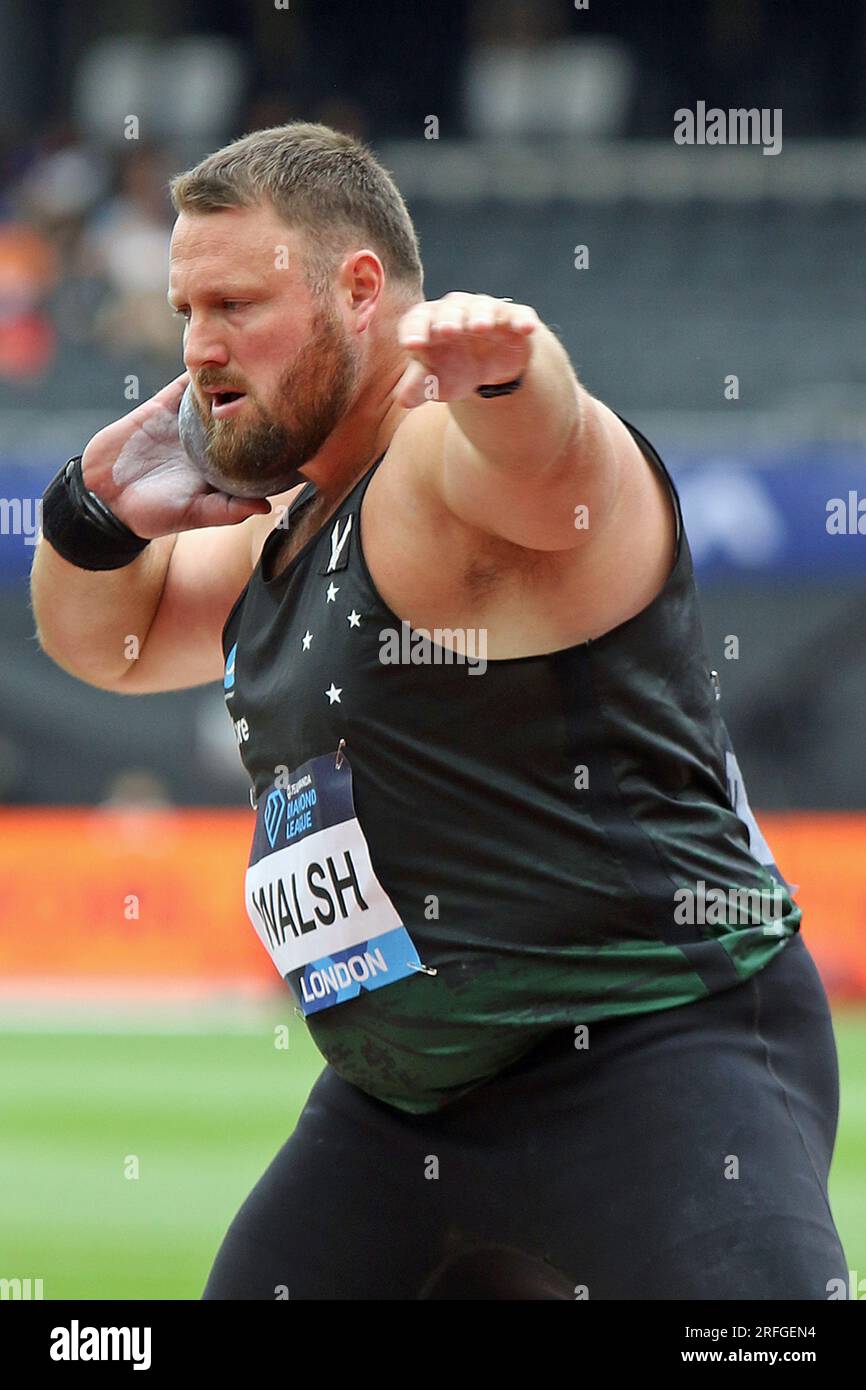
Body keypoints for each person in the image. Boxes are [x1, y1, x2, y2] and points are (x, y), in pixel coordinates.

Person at [30, 122, 848, 1300]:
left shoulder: (433, 470)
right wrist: (90, 512)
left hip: (654, 1055)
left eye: (233, 305)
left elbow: (554, 471)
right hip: (405, 1106)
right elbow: (103, 641)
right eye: (183, 312)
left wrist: (514, 380)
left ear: (358, 291)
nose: (199, 349)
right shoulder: (289, 525)